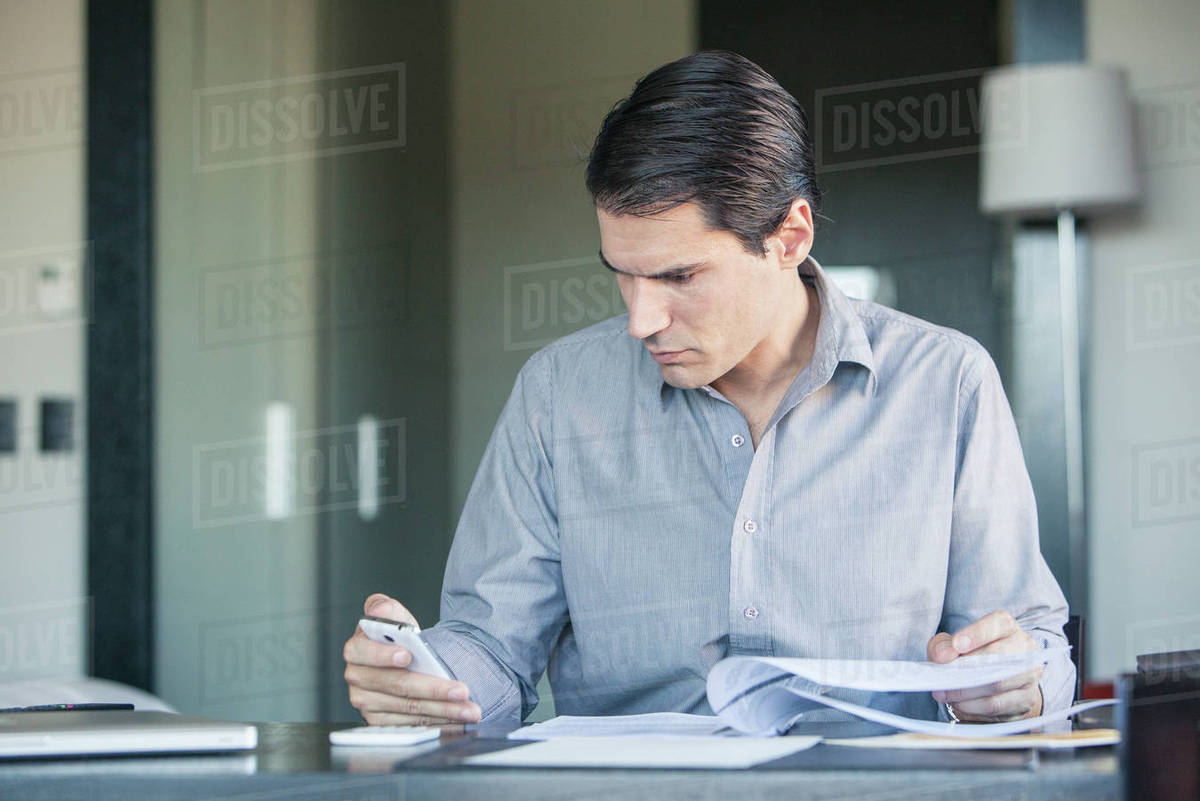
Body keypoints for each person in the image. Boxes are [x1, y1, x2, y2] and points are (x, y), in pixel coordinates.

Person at [342, 50, 1075, 729]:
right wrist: (426, 680)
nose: (640, 319)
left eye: (678, 276)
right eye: (621, 273)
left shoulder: (948, 384)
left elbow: (1033, 642)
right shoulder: (559, 395)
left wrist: (1021, 681)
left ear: (790, 237)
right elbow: (493, 650)